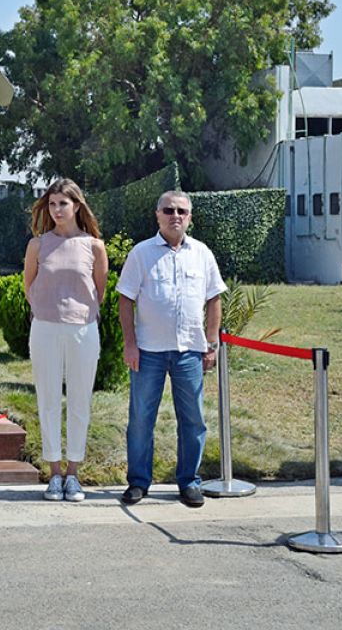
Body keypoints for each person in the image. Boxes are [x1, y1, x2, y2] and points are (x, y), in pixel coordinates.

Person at [116, 190, 225, 508]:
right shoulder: (142, 253)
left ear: (190, 217)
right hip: (148, 351)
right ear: (157, 215)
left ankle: (189, 482)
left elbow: (214, 298)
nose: (175, 215)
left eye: (182, 211)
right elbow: (126, 299)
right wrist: (130, 344)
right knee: (140, 419)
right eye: (169, 210)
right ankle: (138, 482)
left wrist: (212, 342)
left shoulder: (202, 254)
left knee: (193, 420)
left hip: (190, 351)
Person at [22, 179, 108, 502]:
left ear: (77, 206)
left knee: (79, 399)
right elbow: (29, 284)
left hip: (83, 330)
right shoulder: (38, 245)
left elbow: (99, 288)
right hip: (44, 327)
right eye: (53, 203)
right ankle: (54, 472)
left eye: (63, 203)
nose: (57, 210)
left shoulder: (93, 246)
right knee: (47, 398)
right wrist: (46, 309)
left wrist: (78, 310)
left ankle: (74, 473)